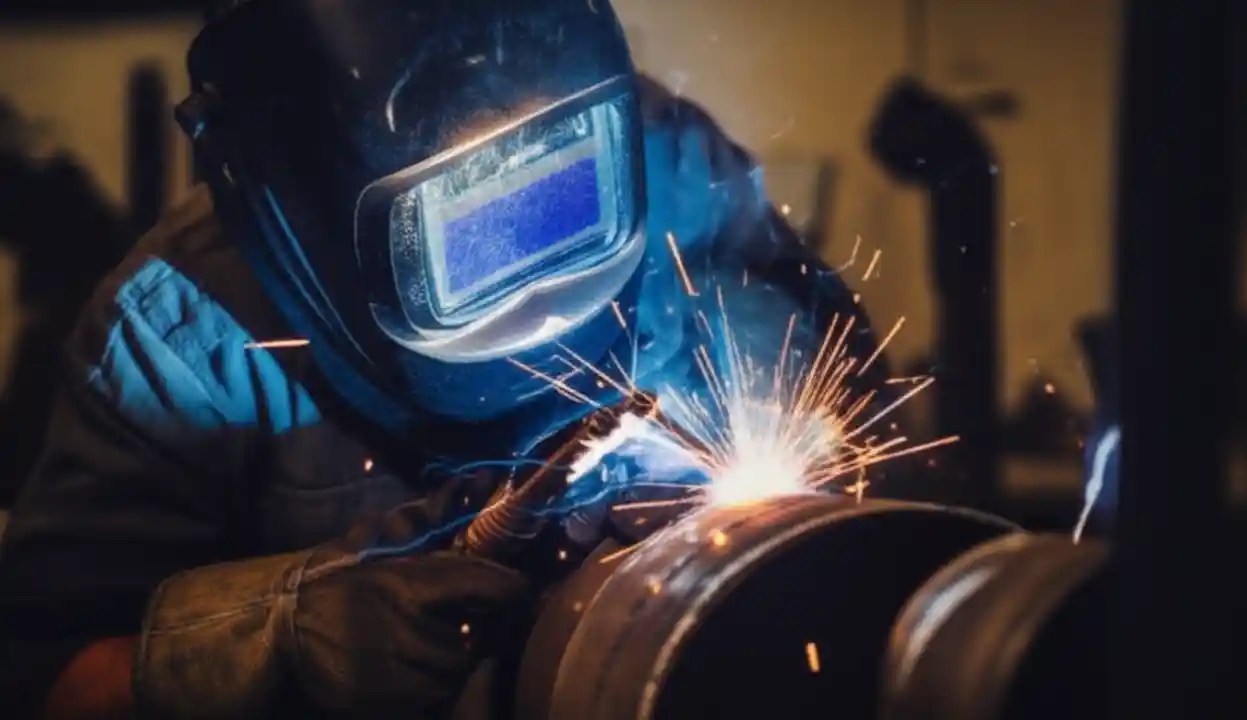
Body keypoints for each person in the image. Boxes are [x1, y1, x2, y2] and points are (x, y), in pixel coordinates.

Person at [0, 1, 887, 718]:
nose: (534, 297)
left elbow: (821, 351)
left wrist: (765, 417)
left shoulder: (666, 153)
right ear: (321, 217)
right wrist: (277, 640)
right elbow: (44, 681)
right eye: (472, 237)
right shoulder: (176, 336)